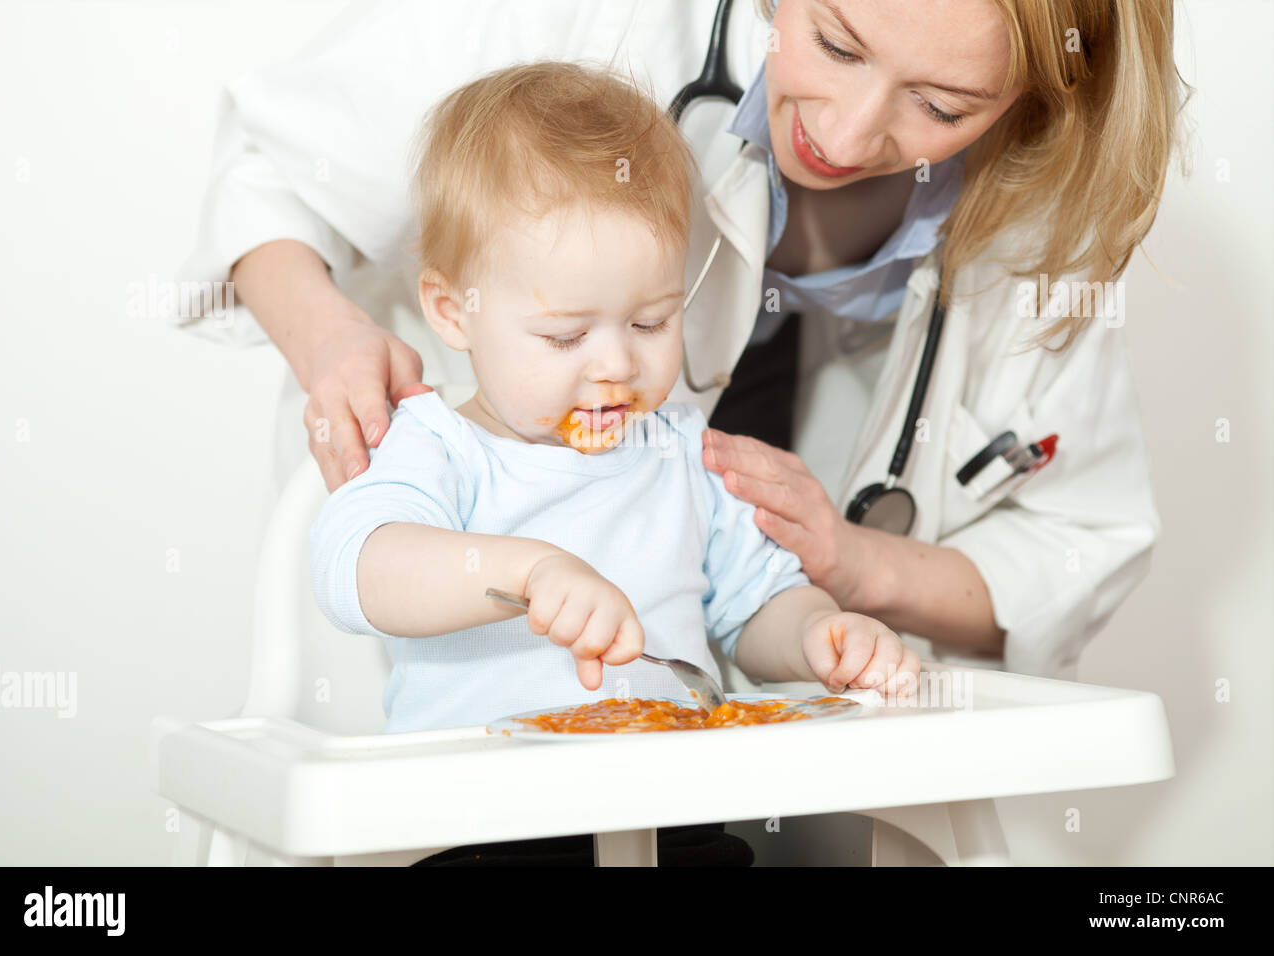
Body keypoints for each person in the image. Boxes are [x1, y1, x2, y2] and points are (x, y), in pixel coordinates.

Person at [173, 0, 1188, 691]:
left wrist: (844, 588)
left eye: (941, 105)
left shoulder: (1037, 217)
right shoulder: (596, 20)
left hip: (704, 755)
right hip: (456, 732)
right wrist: (332, 342)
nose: (848, 127)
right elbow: (272, 174)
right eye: (835, 44)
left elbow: (1072, 541)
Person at [308, 60, 918, 866]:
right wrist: (525, 572)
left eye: (651, 322)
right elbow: (356, 563)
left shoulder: (677, 450)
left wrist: (820, 636)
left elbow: (756, 601)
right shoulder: (437, 446)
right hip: (486, 828)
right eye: (565, 337)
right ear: (455, 312)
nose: (615, 368)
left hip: (678, 822)